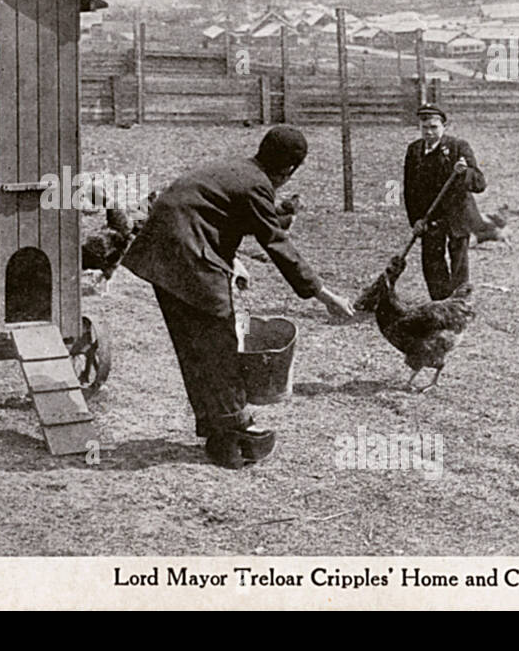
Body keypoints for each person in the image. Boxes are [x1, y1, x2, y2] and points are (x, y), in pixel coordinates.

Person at [122, 125, 356, 469]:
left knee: (194, 346)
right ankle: (233, 433)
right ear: (289, 170)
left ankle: (217, 425)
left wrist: (232, 261)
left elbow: (210, 215)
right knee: (218, 342)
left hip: (159, 253)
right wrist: (325, 295)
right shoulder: (258, 185)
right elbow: (278, 246)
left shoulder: (237, 170)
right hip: (185, 255)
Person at [403, 104, 486, 301]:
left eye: (434, 127)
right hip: (431, 215)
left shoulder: (459, 147)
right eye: (425, 128)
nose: (429, 132)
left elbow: (480, 183)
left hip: (457, 215)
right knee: (431, 260)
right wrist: (416, 220)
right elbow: (409, 189)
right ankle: (440, 302)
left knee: (459, 260)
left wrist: (464, 172)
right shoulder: (414, 150)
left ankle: (459, 303)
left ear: (444, 127)